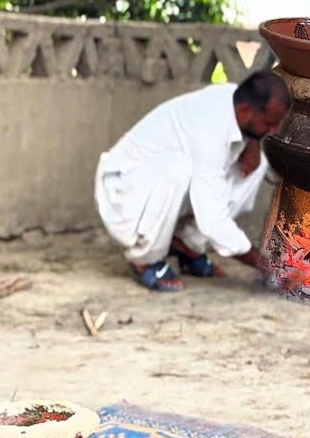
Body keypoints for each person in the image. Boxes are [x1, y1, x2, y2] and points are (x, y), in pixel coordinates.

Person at [94, 70, 291, 291]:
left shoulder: (235, 99)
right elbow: (213, 220)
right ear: (245, 111)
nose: (274, 130)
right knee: (178, 168)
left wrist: (253, 141)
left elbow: (249, 123)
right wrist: (268, 265)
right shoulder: (209, 135)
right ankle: (144, 259)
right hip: (124, 190)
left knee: (256, 166)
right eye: (269, 123)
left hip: (159, 180)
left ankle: (187, 244)